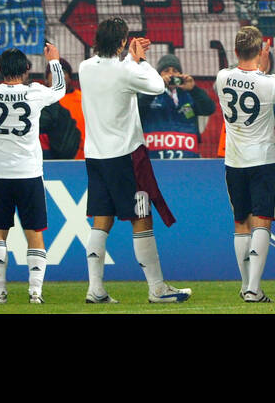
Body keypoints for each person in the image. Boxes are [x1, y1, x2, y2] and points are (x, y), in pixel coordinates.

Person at [79, 17, 191, 304]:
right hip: (126, 156)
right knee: (142, 217)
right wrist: (138, 59)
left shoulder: (85, 68)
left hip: (96, 156)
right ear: (120, 42)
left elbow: (113, 70)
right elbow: (156, 86)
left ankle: (95, 288)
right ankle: (156, 288)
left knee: (101, 220)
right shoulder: (126, 70)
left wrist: (128, 58)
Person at [0, 42, 65, 304]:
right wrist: (54, 61)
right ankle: (35, 292)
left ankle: (0, 292)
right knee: (35, 232)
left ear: (1, 70)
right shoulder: (35, 92)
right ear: (26, 69)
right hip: (29, 174)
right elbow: (59, 89)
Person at [216, 28, 275, 303]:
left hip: (234, 161)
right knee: (261, 222)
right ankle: (254, 288)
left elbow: (246, 79)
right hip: (262, 160)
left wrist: (259, 70)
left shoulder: (222, 78)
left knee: (241, 223)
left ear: (236, 51)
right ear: (261, 49)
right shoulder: (269, 83)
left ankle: (245, 286)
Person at [139, 53, 217, 160]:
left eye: (175, 71)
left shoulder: (189, 95)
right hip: (154, 161)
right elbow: (138, 107)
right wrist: (156, 87)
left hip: (187, 161)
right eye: (166, 71)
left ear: (180, 75)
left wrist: (194, 89)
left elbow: (209, 109)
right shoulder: (148, 94)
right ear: (158, 75)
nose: (171, 74)